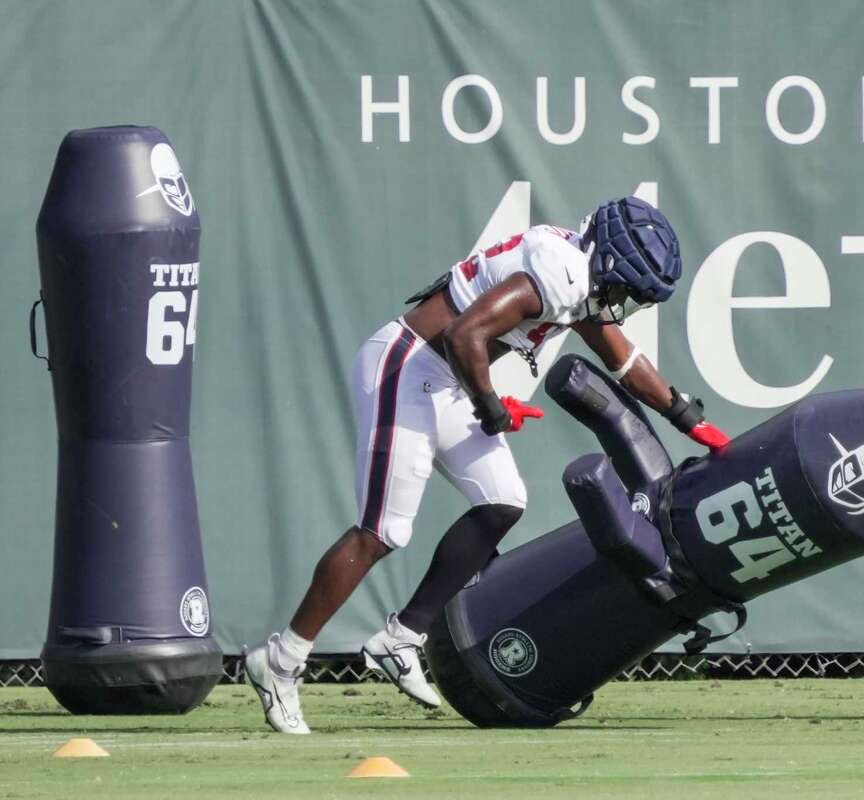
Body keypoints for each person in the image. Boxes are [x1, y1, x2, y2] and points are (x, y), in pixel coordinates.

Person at [243, 197, 730, 733]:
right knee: (382, 530)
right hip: (407, 366)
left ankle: (402, 636)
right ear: (606, 262)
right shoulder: (563, 273)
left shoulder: (579, 273)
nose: (621, 303)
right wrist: (491, 407)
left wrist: (686, 417)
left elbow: (624, 360)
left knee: (503, 500)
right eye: (624, 289)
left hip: (445, 377)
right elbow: (463, 335)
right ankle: (281, 660)